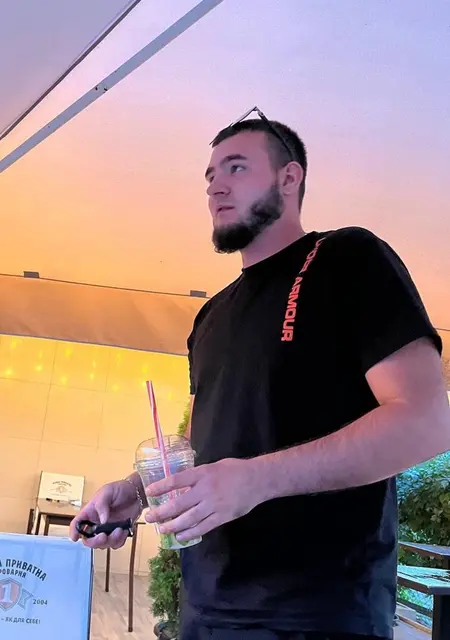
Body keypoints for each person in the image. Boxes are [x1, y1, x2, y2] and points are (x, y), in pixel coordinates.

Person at [70, 111, 450, 640]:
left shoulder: (348, 258)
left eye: (236, 167)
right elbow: (205, 440)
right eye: (210, 175)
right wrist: (137, 491)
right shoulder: (211, 315)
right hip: (206, 608)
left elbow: (426, 420)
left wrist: (256, 479)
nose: (215, 186)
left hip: (319, 613)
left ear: (289, 178)